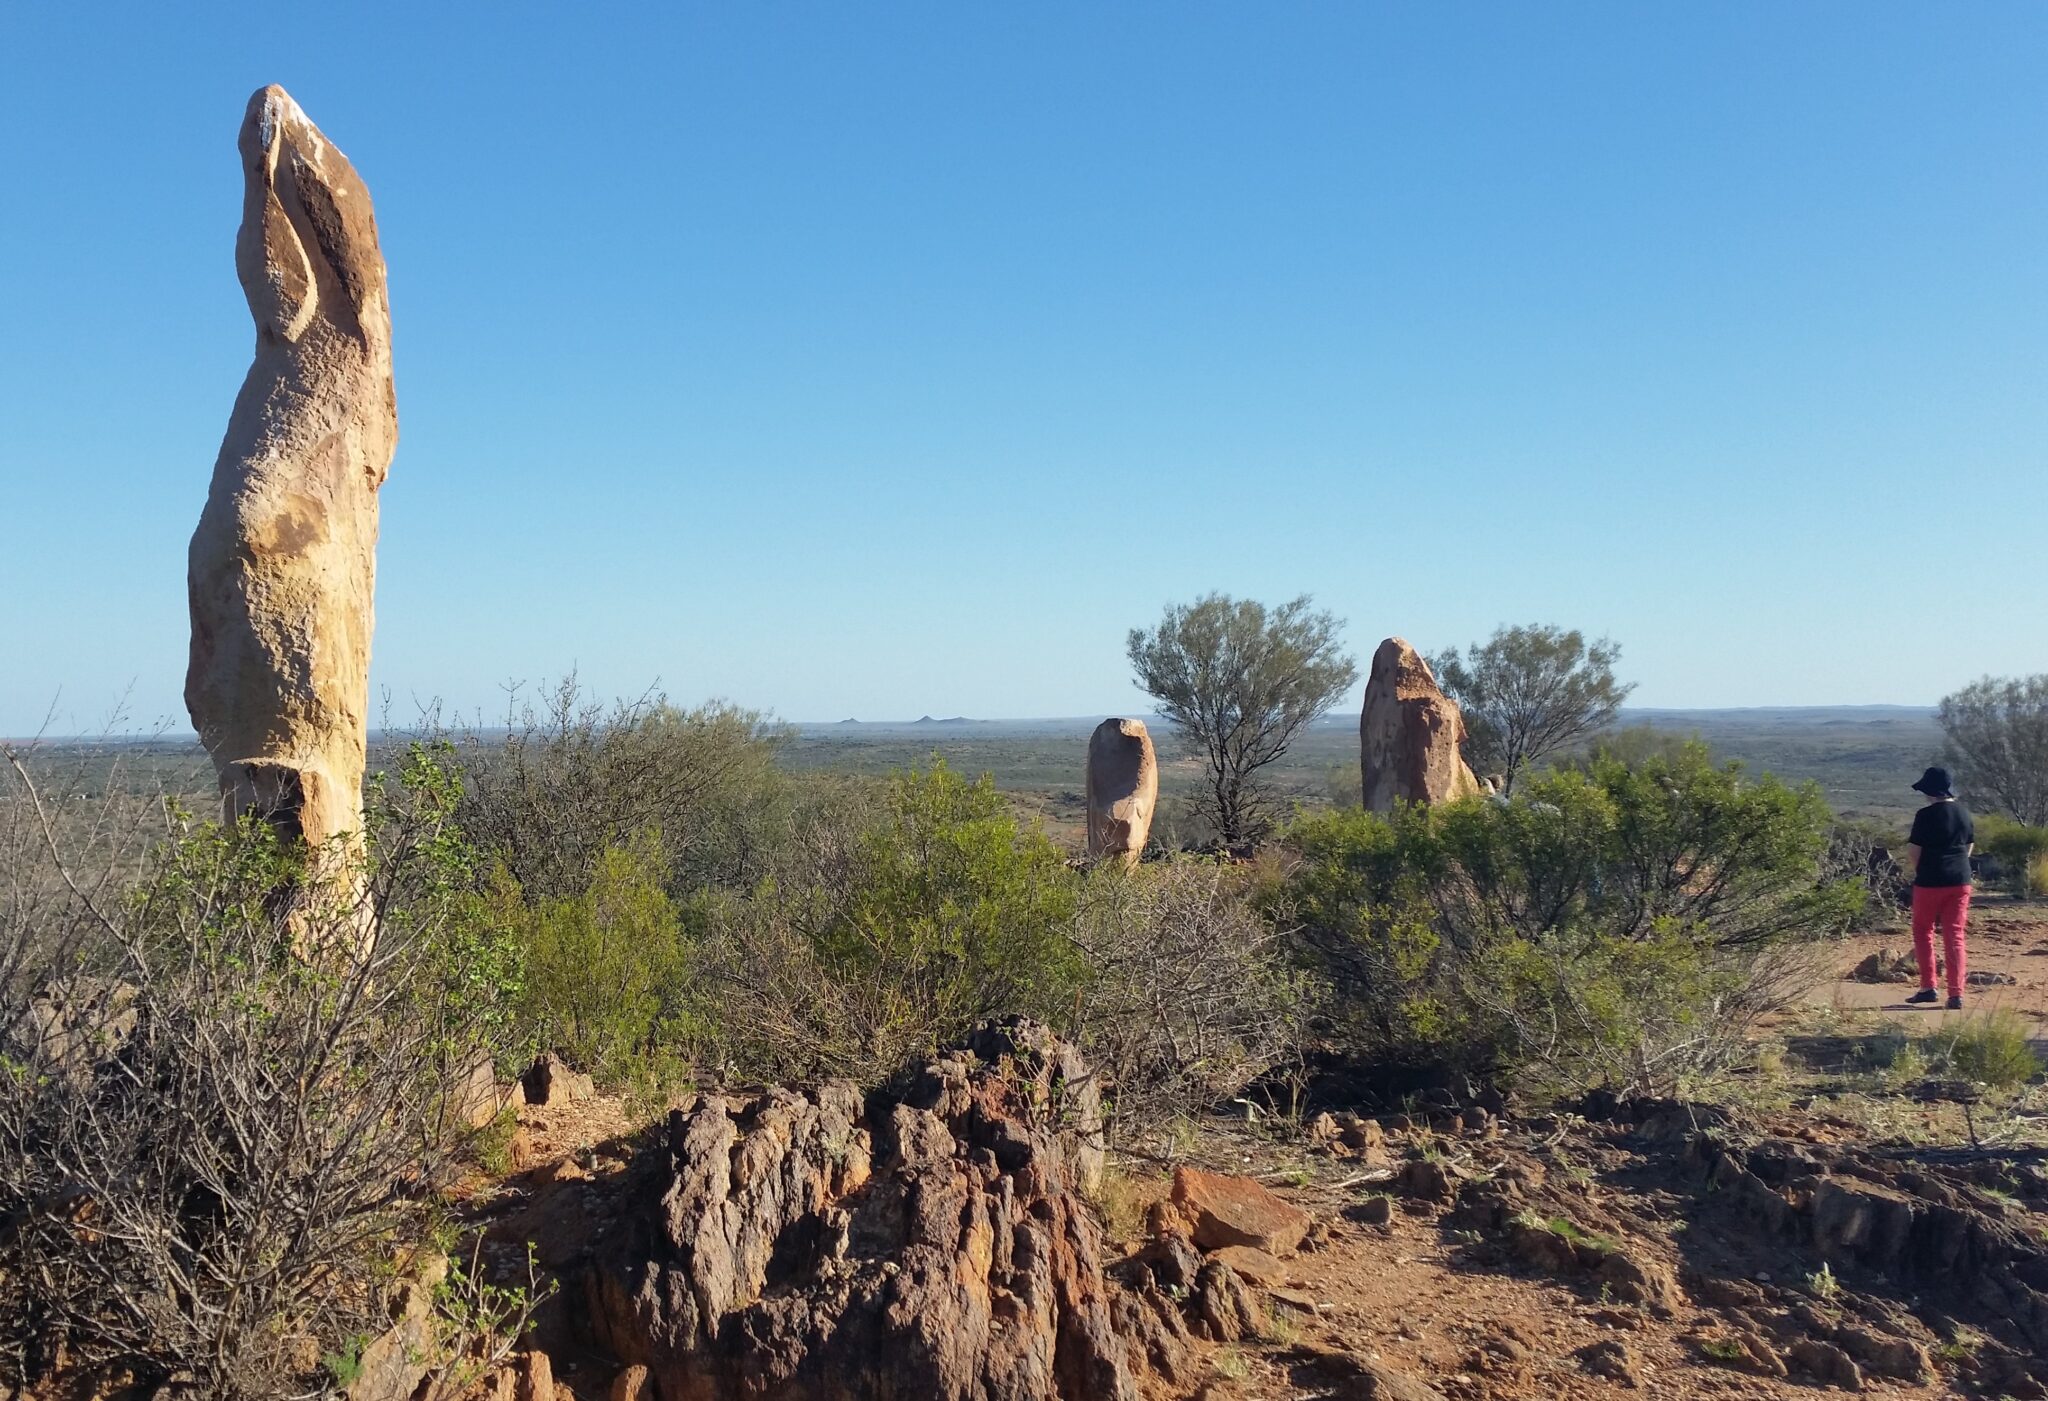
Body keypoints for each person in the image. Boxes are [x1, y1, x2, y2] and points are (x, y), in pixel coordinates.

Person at [1904, 766, 1974, 1009]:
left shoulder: (1925, 815)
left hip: (1930, 882)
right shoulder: (1964, 813)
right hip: (1960, 880)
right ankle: (1956, 994)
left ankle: (1928, 987)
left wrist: (1921, 871)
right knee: (1954, 934)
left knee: (1923, 932)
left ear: (1930, 791)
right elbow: (1968, 848)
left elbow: (1914, 850)